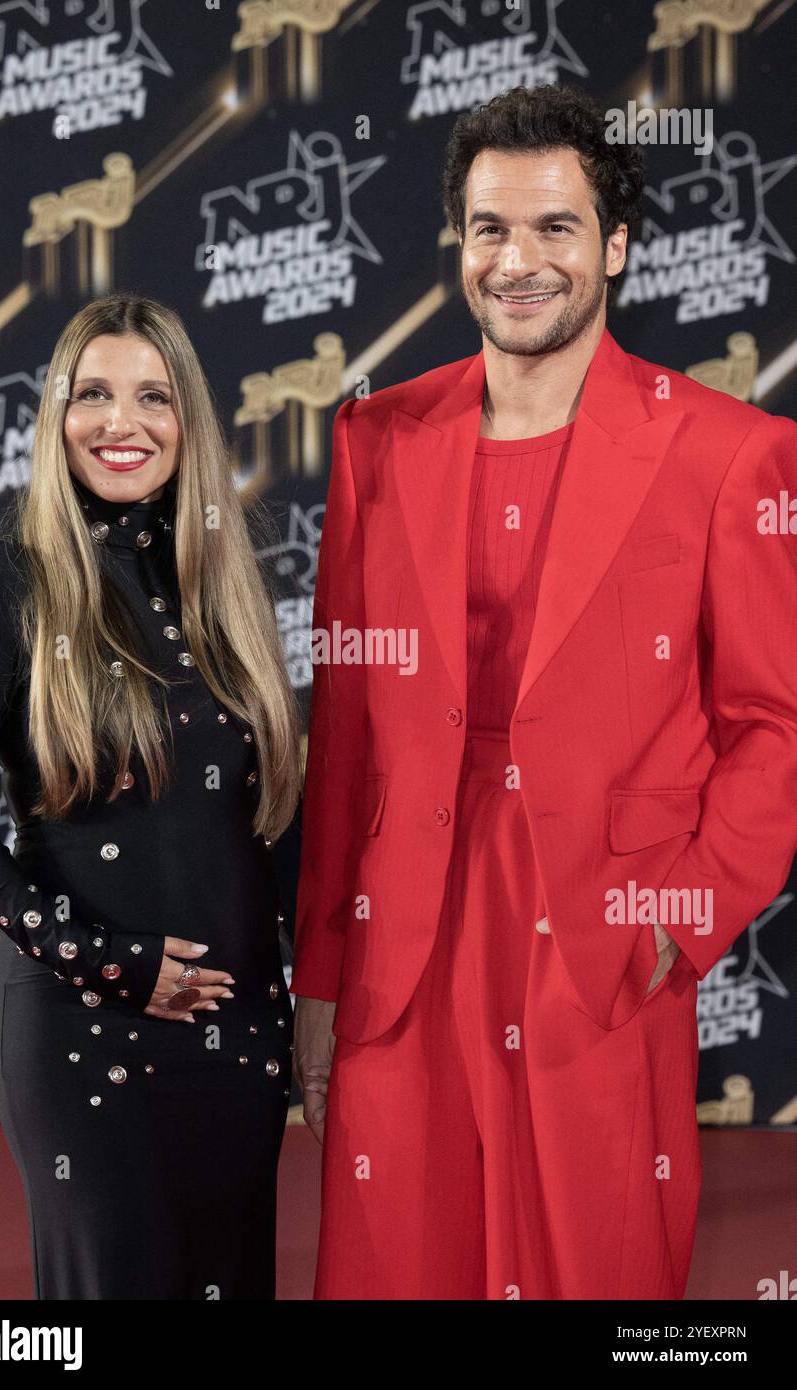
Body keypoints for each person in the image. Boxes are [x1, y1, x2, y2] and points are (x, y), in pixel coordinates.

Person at [291, 84, 797, 1299]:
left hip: (598, 946)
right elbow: (346, 730)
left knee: (599, 1274)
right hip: (402, 949)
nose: (516, 263)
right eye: (488, 230)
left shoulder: (729, 452)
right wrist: (318, 973)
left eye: (553, 229)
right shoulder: (375, 438)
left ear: (613, 247)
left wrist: (676, 916)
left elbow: (772, 725)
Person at [0, 292, 301, 1300]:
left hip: (237, 1040)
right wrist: (107, 961)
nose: (121, 423)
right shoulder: (2, 580)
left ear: (188, 422)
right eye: (91, 393)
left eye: (153, 396)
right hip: (81, 1025)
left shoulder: (223, 600)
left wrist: (307, 1013)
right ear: (54, 415)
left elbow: (274, 827)